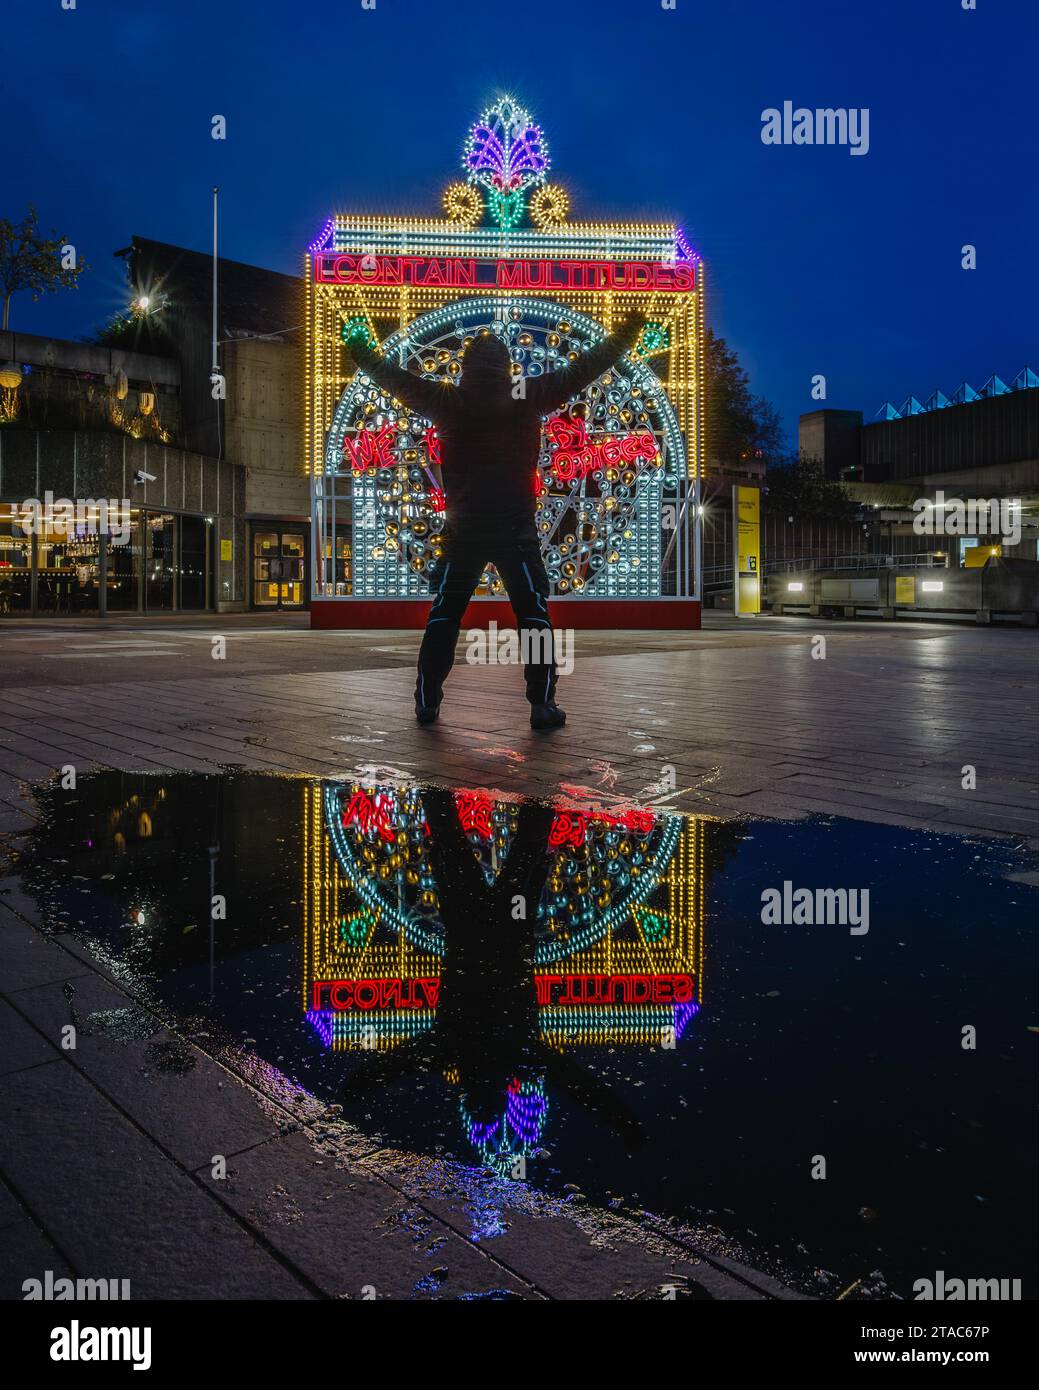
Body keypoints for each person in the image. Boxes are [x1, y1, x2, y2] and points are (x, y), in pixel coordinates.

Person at [347, 309, 646, 730]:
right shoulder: (526, 393)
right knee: (534, 616)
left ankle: (427, 700)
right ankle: (542, 704)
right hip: (515, 529)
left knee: (445, 614)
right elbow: (587, 366)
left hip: (464, 530)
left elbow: (393, 379)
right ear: (507, 367)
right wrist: (626, 332)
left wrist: (360, 350)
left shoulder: (449, 399)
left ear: (467, 366)